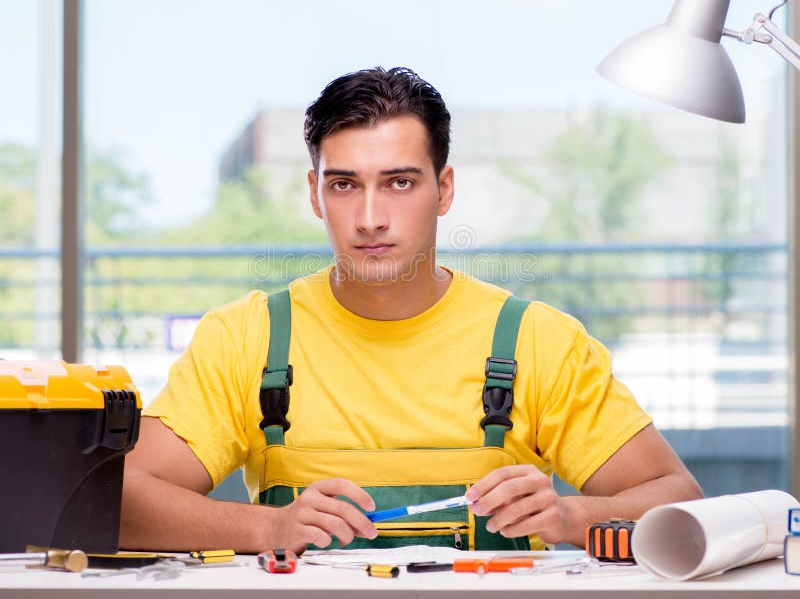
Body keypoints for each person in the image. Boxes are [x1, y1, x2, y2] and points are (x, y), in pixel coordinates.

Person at [120, 67, 702, 554]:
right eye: (345, 185)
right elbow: (121, 500)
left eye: (399, 183)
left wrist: (571, 517)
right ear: (314, 193)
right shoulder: (249, 337)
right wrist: (266, 527)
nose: (370, 217)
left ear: (444, 190)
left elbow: (678, 499)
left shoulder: (536, 341)